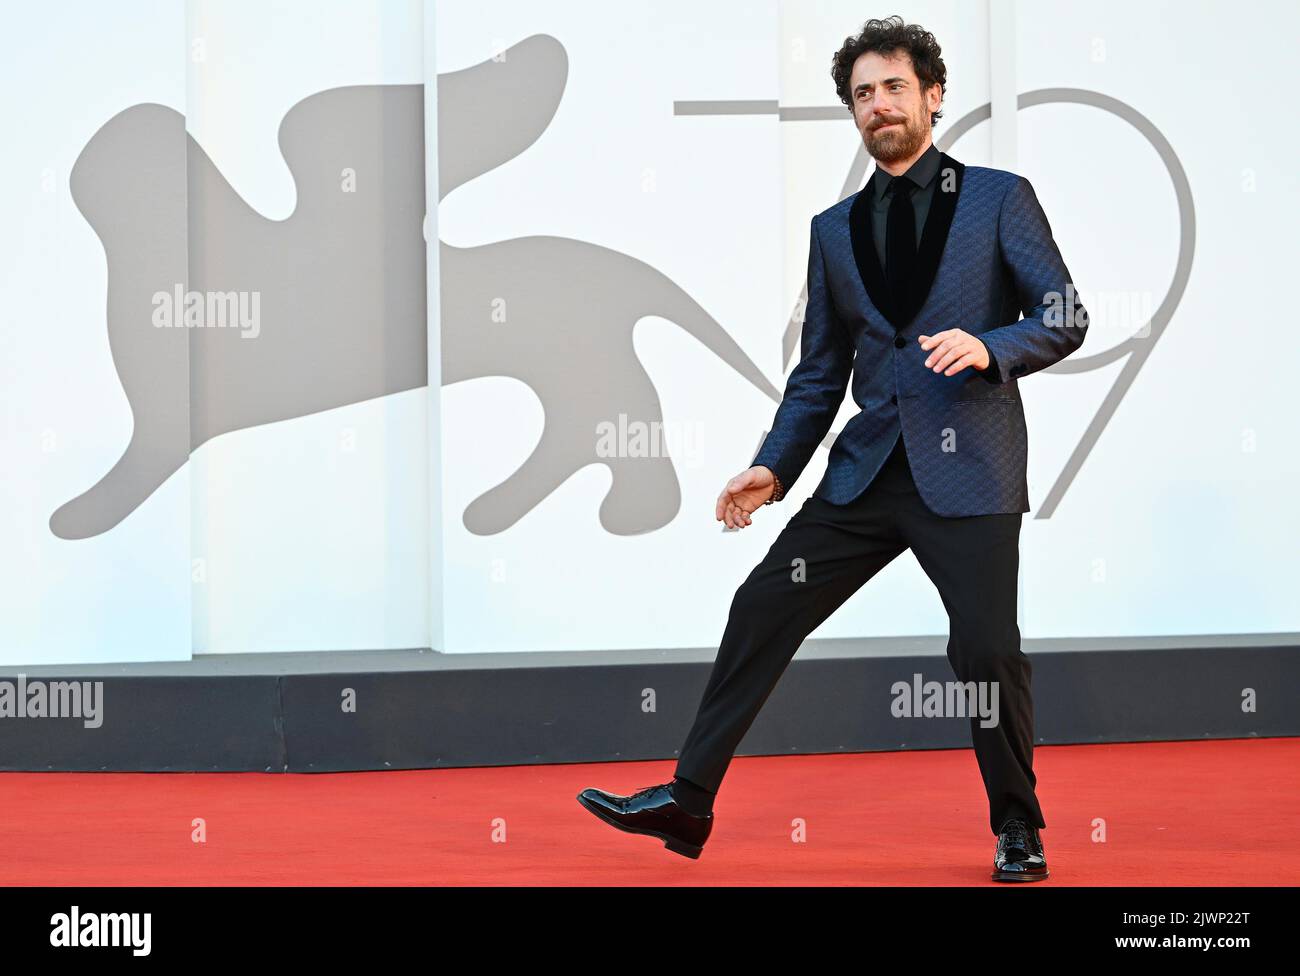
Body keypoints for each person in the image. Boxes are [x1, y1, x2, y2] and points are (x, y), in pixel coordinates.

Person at [577, 15, 1087, 882]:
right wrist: (774, 466)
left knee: (985, 651)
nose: (878, 104)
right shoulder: (835, 227)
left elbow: (1065, 315)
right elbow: (819, 372)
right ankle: (688, 800)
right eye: (862, 94)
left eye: (894, 86)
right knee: (762, 606)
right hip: (866, 475)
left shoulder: (1001, 196)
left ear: (933, 94)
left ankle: (1018, 828)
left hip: (969, 473)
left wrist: (993, 347)